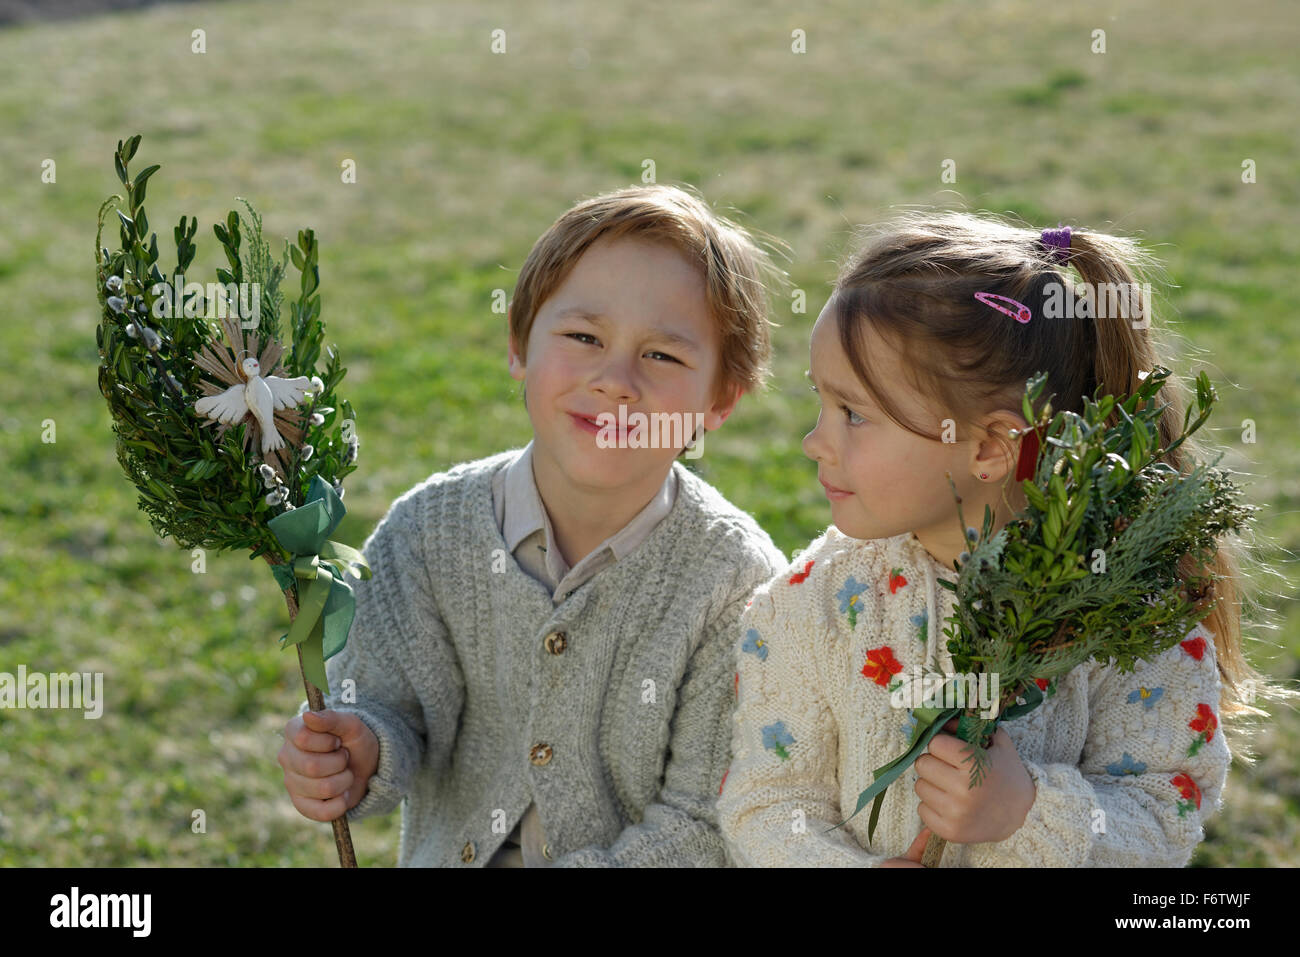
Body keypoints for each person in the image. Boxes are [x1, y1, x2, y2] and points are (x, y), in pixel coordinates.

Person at [718, 211, 1285, 866]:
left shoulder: (1128, 614)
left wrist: (1028, 810)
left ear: (989, 446)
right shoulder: (806, 606)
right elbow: (769, 802)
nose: (815, 440)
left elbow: (1166, 809)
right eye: (823, 401)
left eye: (854, 413)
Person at [278, 184, 789, 866]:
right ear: (519, 345)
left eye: (662, 355)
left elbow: (705, 819)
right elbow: (381, 703)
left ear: (719, 400)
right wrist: (360, 748)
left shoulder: (737, 583)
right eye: (583, 337)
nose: (615, 380)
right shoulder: (428, 533)